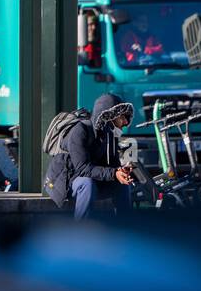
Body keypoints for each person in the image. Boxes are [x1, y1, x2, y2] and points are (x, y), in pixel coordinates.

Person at [44, 92, 135, 221]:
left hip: (88, 176)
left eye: (126, 117)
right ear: (108, 116)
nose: (125, 121)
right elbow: (82, 168)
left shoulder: (110, 133)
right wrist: (114, 173)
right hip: (65, 180)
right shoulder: (80, 131)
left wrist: (121, 171)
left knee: (122, 184)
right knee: (87, 184)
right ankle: (82, 232)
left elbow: (113, 165)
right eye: (122, 117)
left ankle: (126, 229)